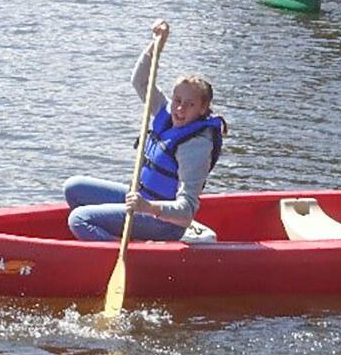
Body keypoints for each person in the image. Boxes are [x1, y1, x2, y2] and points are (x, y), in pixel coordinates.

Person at [63, 19, 227, 241]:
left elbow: (186, 212)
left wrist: (148, 207)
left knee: (79, 219)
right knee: (73, 188)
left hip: (164, 223)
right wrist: (158, 44)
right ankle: (114, 238)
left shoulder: (196, 146)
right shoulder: (165, 112)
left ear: (202, 109)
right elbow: (140, 81)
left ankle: (125, 251)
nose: (180, 109)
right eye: (177, 100)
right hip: (141, 201)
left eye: (189, 104)